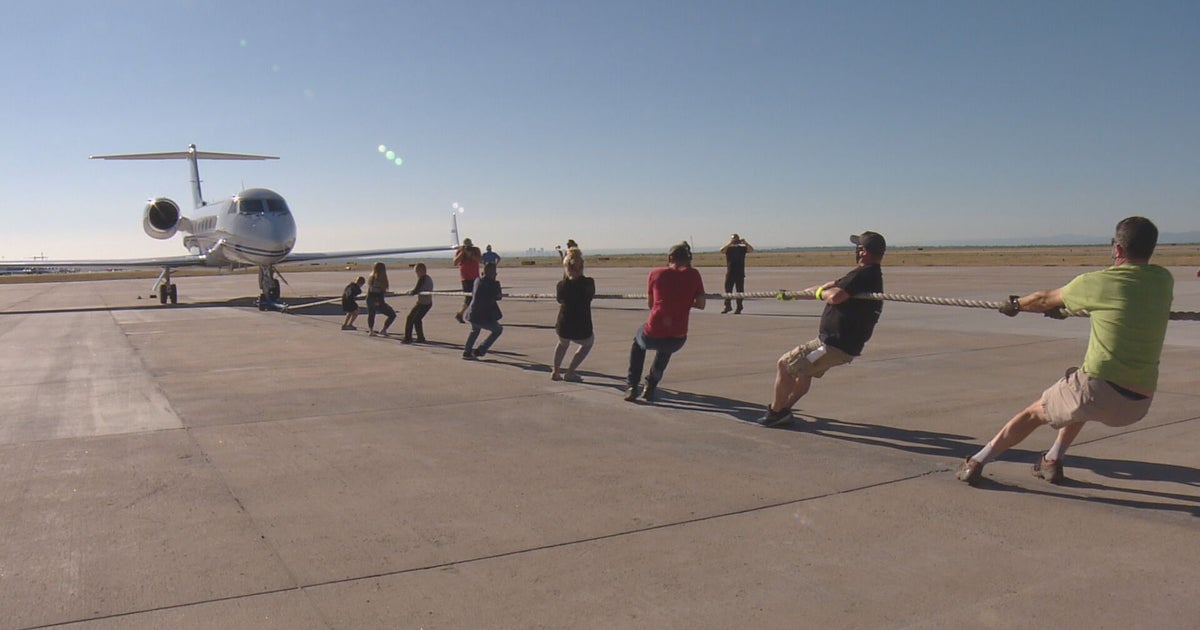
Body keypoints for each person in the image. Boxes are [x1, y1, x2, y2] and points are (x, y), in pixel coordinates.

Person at [956, 217, 1173, 485]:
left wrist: (1015, 304)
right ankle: (1052, 460)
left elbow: (1043, 299)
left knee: (1035, 412)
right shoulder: (1164, 279)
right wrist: (1066, 310)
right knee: (1076, 390)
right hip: (1138, 403)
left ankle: (976, 462)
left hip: (1098, 391)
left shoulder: (1097, 282)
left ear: (1117, 249)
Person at [760, 231, 885, 426]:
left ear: (863, 252)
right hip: (841, 346)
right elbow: (826, 287)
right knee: (805, 371)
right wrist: (793, 295)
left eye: (858, 247)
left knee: (785, 365)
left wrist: (822, 293)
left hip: (832, 345)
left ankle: (775, 412)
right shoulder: (865, 275)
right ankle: (785, 409)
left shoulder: (864, 274)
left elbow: (835, 296)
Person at [624, 242, 706, 402]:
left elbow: (651, 304)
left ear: (670, 258)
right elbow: (701, 304)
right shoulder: (694, 274)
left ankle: (632, 385)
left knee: (638, 342)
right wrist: (684, 300)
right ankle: (650, 386)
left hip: (653, 331)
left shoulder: (656, 273)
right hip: (678, 336)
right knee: (666, 347)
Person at [551, 248, 595, 382]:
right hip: (582, 325)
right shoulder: (588, 283)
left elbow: (559, 300)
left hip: (564, 324)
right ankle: (570, 372)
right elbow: (589, 297)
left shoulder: (561, 285)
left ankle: (555, 371)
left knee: (562, 343)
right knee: (587, 343)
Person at [463, 262, 503, 359]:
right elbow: (498, 297)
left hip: (472, 313)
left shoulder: (477, 281)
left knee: (475, 330)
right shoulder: (494, 284)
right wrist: (495, 282)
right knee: (498, 330)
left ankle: (467, 352)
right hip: (483, 316)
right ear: (494, 273)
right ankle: (481, 350)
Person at [720, 233, 754, 314]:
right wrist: (730, 243)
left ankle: (739, 307)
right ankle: (727, 306)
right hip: (730, 272)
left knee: (739, 291)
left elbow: (751, 250)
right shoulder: (728, 248)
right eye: (733, 239)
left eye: (736, 239)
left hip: (739, 273)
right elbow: (722, 250)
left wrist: (745, 243)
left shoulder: (742, 248)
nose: (735, 241)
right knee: (728, 290)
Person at [401, 263, 433, 344]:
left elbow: (416, 290)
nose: (416, 274)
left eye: (417, 272)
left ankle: (408, 338)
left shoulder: (422, 278)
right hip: (425, 302)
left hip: (424, 303)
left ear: (421, 271)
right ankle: (420, 337)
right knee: (416, 319)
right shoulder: (428, 278)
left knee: (411, 318)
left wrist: (410, 293)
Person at [453, 238, 482, 324]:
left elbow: (480, 260)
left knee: (477, 297)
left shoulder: (476, 250)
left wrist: (471, 254)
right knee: (469, 298)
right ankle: (462, 314)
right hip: (465, 278)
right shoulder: (460, 251)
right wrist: (463, 252)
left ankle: (463, 314)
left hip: (475, 277)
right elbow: (455, 262)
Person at [366, 262, 397, 337]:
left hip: (370, 299)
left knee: (371, 314)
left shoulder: (372, 277)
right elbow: (376, 291)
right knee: (392, 314)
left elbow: (371, 290)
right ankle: (383, 329)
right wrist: (377, 301)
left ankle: (371, 330)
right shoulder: (379, 279)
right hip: (377, 300)